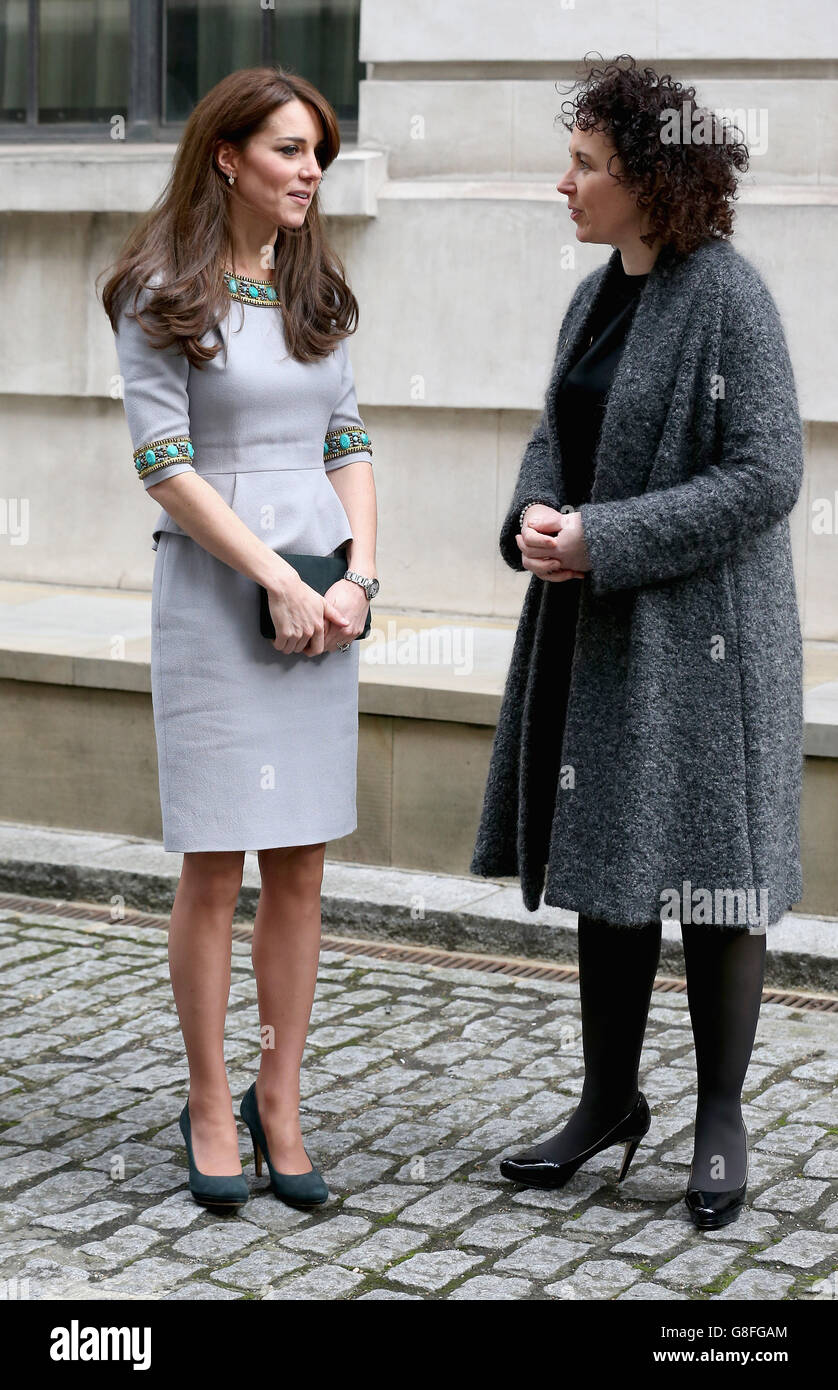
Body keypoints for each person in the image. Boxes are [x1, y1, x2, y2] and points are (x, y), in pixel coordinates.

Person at [469, 56, 805, 1230]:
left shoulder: (730, 296)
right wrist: (532, 516)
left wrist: (601, 536)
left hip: (708, 643)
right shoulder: (594, 295)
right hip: (601, 632)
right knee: (609, 864)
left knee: (714, 877)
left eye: (585, 167)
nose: (563, 185)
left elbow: (768, 476)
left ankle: (719, 1118)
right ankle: (607, 1100)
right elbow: (553, 435)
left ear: (647, 180)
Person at [100, 67, 379, 1211]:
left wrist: (357, 577)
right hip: (219, 606)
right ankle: (210, 1102)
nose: (310, 168)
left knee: (302, 865)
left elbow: (349, 439)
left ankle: (280, 1095)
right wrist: (272, 577)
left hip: (325, 607)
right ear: (228, 157)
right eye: (286, 149)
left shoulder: (314, 290)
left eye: (317, 149)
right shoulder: (157, 290)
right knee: (216, 863)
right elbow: (163, 467)